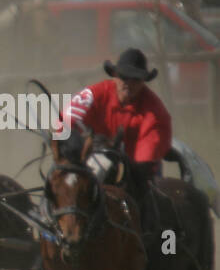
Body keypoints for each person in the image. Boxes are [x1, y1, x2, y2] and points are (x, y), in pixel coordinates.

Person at [58, 47, 172, 235]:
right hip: (93, 159)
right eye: (124, 77)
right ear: (114, 76)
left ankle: (152, 242)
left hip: (134, 171)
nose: (128, 83)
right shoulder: (94, 94)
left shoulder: (156, 114)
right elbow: (64, 122)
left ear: (144, 81)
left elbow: (143, 162)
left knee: (149, 210)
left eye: (135, 79)